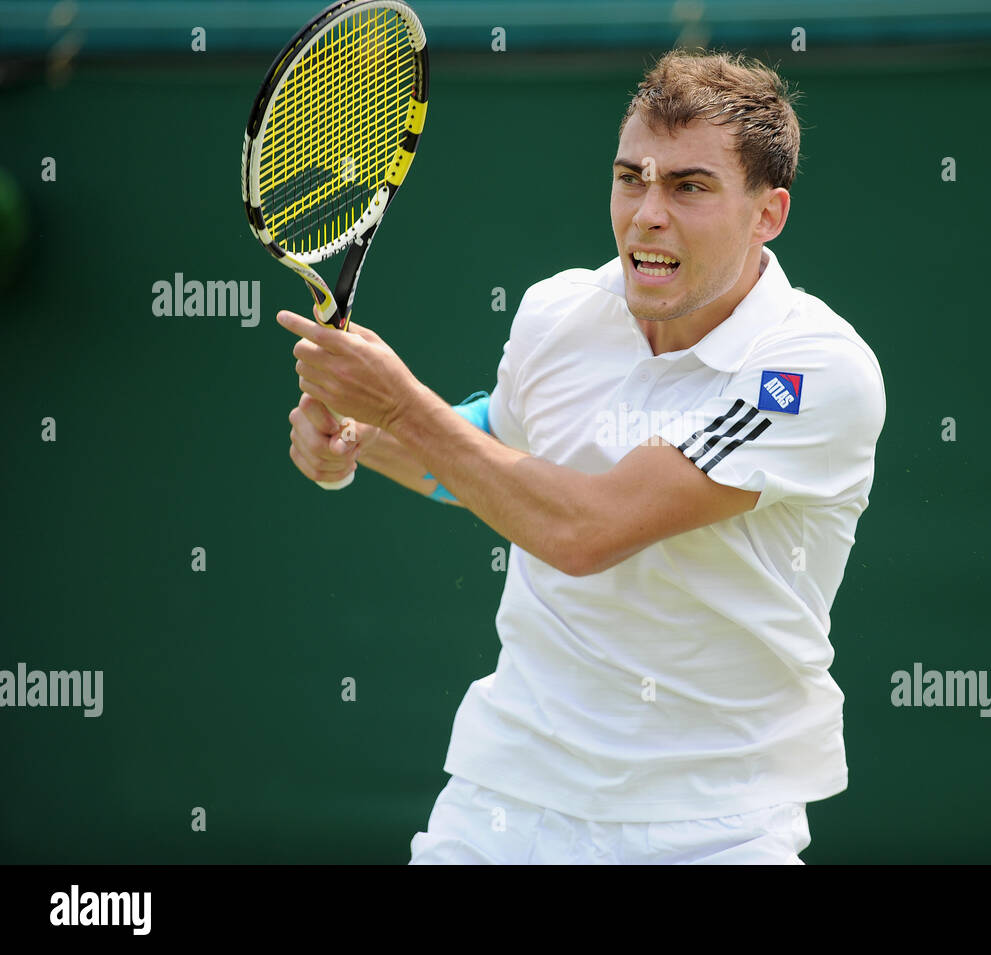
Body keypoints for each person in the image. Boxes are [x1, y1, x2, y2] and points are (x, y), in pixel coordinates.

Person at [277, 48, 887, 864]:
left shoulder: (810, 371)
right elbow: (497, 453)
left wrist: (399, 405)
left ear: (767, 213)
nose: (646, 213)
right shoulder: (557, 313)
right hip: (505, 800)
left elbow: (586, 530)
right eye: (631, 176)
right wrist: (363, 439)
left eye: (689, 186)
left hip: (715, 825)